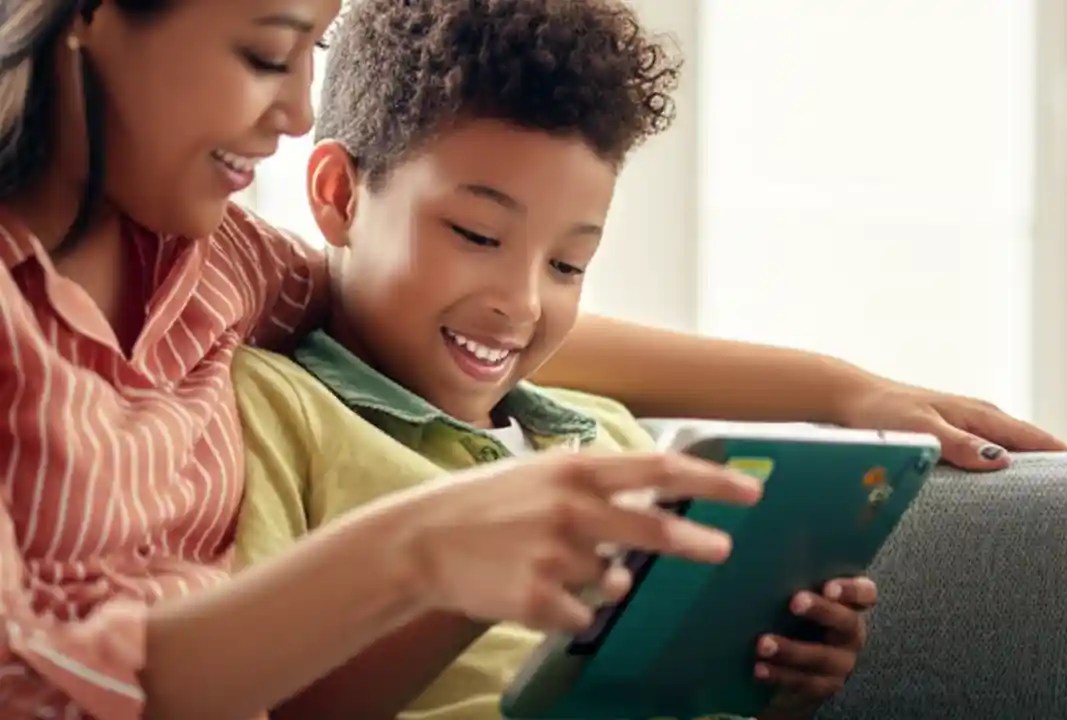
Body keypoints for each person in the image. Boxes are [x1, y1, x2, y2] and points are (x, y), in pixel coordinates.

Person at [0, 1, 1067, 718]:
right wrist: (427, 553)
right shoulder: (210, 373)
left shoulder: (214, 264)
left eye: (309, 60)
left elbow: (445, 323)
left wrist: (841, 391)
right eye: (265, 51)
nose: (291, 114)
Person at [233, 1, 875, 718]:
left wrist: (777, 674)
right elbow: (252, 696)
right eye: (478, 235)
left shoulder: (607, 438)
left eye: (568, 265)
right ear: (339, 194)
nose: (525, 303)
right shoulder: (279, 411)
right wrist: (465, 581)